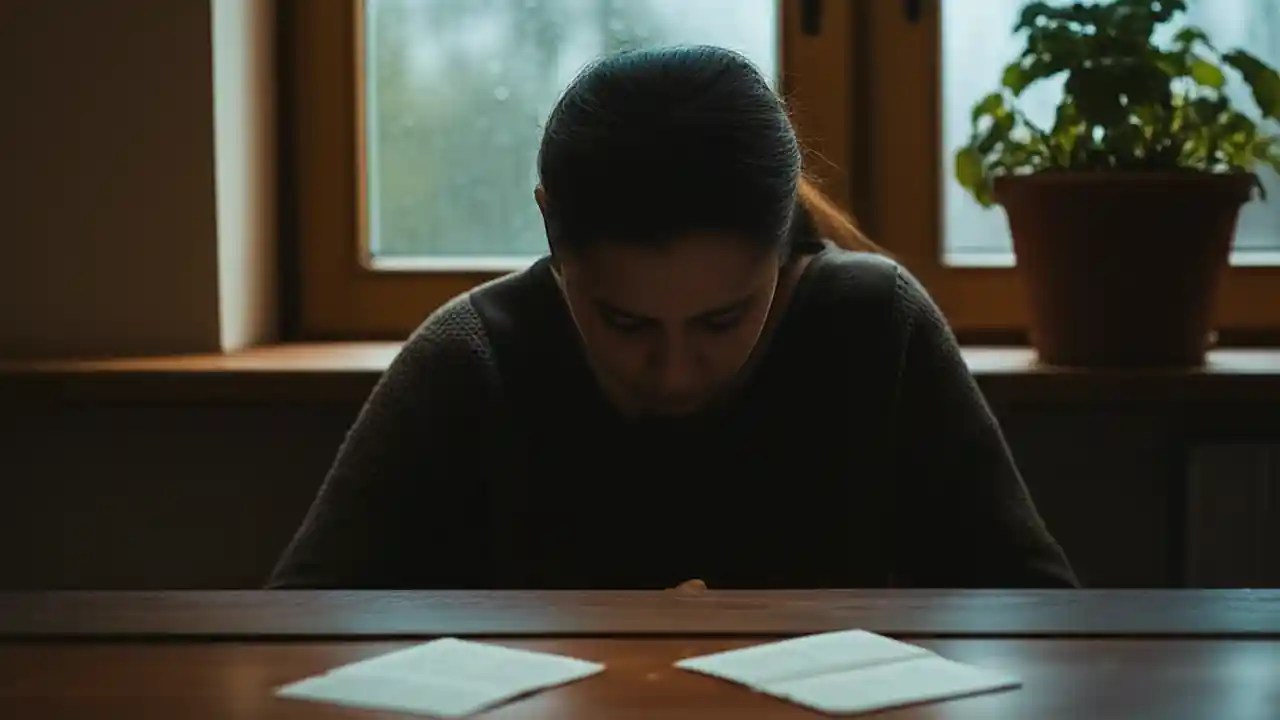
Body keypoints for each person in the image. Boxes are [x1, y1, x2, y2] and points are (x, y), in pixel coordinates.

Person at [270, 46, 1077, 590]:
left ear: (782, 251)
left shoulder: (874, 328)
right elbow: (298, 627)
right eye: (625, 325)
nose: (675, 370)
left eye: (723, 321)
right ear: (552, 232)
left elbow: (1037, 611)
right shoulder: (472, 357)